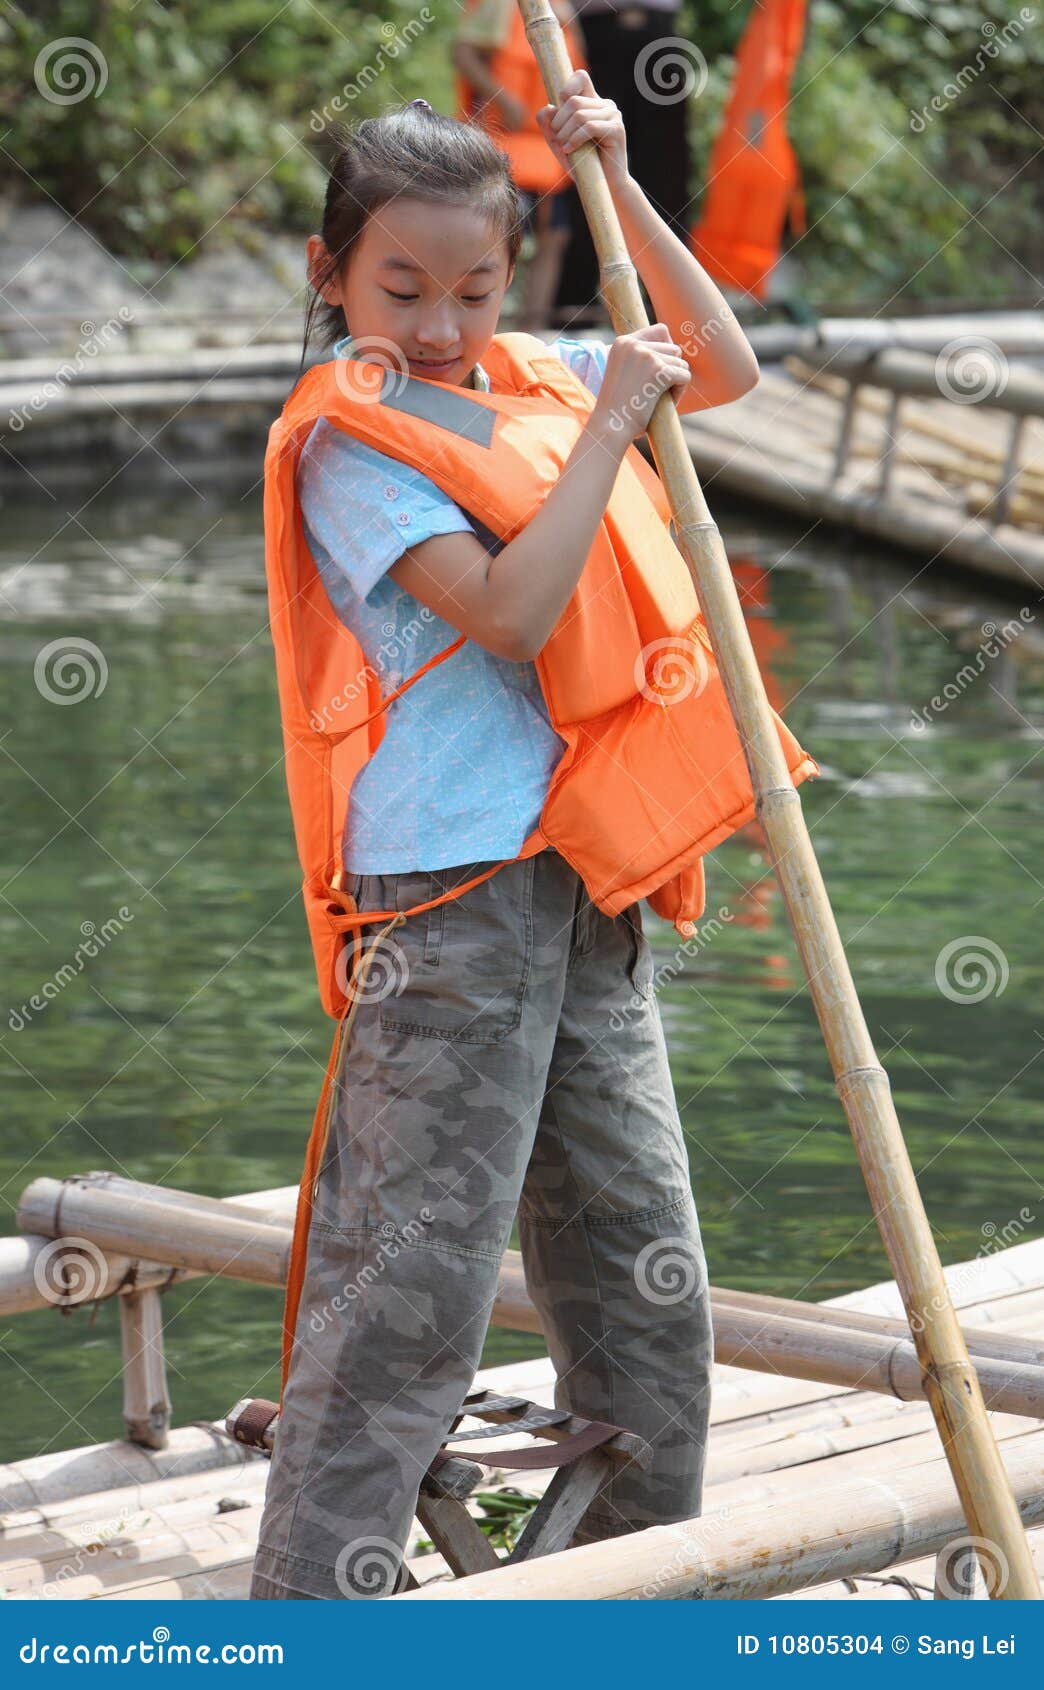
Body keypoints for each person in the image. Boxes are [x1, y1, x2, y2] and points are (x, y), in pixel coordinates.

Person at [252, 73, 817, 1601]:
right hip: (446, 902)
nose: (442, 324)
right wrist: (613, 419)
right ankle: (307, 1619)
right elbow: (511, 611)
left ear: (517, 274)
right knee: (410, 1297)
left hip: (587, 878)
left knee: (647, 1270)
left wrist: (615, 177)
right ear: (331, 274)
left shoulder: (540, 375)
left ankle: (630, 1598)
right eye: (403, 288)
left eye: (477, 287)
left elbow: (720, 363)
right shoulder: (352, 444)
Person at [453, 0, 585, 330]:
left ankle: (532, 331)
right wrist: (503, 99)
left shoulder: (564, 9)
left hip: (548, 148)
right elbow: (464, 53)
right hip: (500, 143)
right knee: (491, 238)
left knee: (554, 236)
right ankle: (478, 327)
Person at [556, 2, 692, 317]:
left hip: (659, 38)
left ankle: (676, 312)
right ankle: (574, 312)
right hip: (593, 34)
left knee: (668, 179)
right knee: (585, 161)